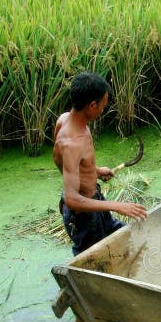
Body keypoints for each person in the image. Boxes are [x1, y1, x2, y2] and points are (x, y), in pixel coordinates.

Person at [53, 72, 147, 256]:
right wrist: (118, 206)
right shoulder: (72, 142)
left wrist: (93, 171)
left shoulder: (65, 119)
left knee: (122, 240)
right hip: (83, 217)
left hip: (95, 200)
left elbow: (60, 159)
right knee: (95, 261)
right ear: (92, 105)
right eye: (103, 105)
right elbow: (72, 200)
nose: (104, 109)